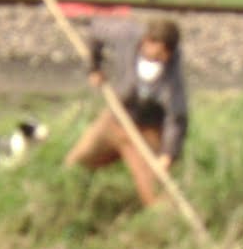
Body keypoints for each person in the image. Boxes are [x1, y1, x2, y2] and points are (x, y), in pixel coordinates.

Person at [63, 15, 188, 206]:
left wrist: (168, 155)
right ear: (147, 42)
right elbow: (96, 31)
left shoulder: (172, 69)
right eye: (161, 53)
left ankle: (165, 226)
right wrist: (94, 68)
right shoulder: (126, 34)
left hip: (147, 130)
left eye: (168, 55)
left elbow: (176, 116)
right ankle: (68, 202)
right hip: (115, 118)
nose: (165, 59)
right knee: (73, 165)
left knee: (155, 196)